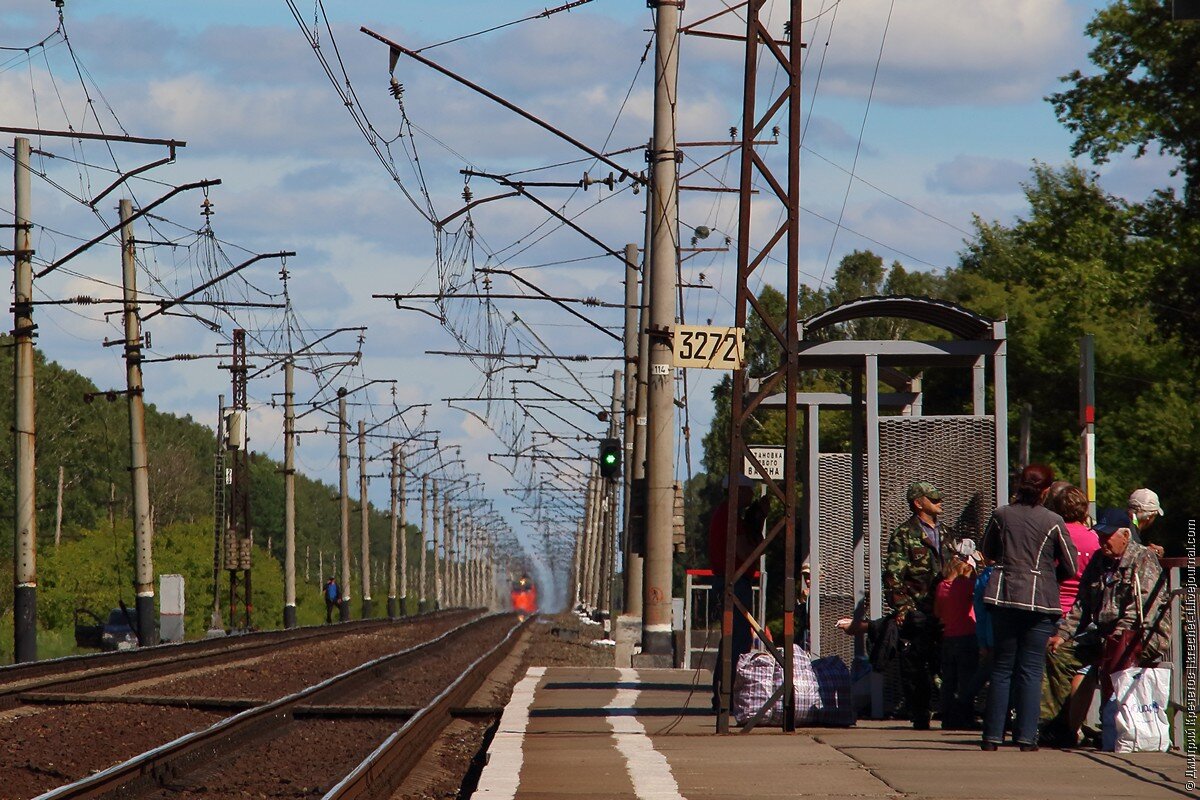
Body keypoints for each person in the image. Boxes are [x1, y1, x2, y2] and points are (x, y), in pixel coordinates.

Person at [979, 464, 1078, 751]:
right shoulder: (1053, 520)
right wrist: (1048, 577)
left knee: (1001, 668)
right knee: (1031, 669)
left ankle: (991, 737)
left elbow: (988, 551)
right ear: (1046, 491)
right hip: (1040, 601)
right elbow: (1070, 567)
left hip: (1004, 595)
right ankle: (1025, 737)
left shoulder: (1001, 515)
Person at [1050, 509, 1170, 701]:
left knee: (1113, 659)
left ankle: (1113, 723)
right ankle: (1057, 726)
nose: (1102, 541)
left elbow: (1143, 609)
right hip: (1104, 633)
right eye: (1100, 535)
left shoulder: (1143, 559)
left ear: (1125, 535)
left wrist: (1117, 638)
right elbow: (1082, 604)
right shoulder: (1098, 560)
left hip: (1141, 636)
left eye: (1107, 536)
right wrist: (1063, 635)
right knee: (1057, 656)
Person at [884, 480, 956, 730]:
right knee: (916, 663)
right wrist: (903, 608)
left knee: (946, 660)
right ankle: (920, 712)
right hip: (918, 609)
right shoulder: (905, 534)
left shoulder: (947, 533)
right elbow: (894, 576)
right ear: (918, 503)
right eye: (933, 499)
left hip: (946, 610)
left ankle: (950, 710)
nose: (939, 502)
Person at [1039, 484, 1100, 747]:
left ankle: (1053, 724)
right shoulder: (1095, 539)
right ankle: (1074, 725)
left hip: (1054, 609)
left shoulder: (1053, 535)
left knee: (1051, 672)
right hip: (1083, 614)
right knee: (1080, 669)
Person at [709, 475, 769, 710]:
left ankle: (723, 695)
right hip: (733, 583)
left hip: (730, 581)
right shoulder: (730, 516)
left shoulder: (727, 514)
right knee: (738, 641)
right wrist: (762, 537)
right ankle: (729, 695)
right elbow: (746, 552)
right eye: (749, 490)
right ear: (738, 490)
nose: (752, 495)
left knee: (732, 640)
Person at [935, 541, 980, 730]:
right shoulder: (968, 587)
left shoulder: (941, 587)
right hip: (967, 637)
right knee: (966, 681)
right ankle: (965, 716)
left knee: (949, 680)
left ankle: (947, 715)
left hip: (948, 638)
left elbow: (938, 613)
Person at [1126, 488, 1166, 558]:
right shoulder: (1128, 529)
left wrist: (1147, 550)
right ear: (1149, 516)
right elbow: (1125, 553)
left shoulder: (1132, 523)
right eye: (1155, 516)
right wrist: (1149, 552)